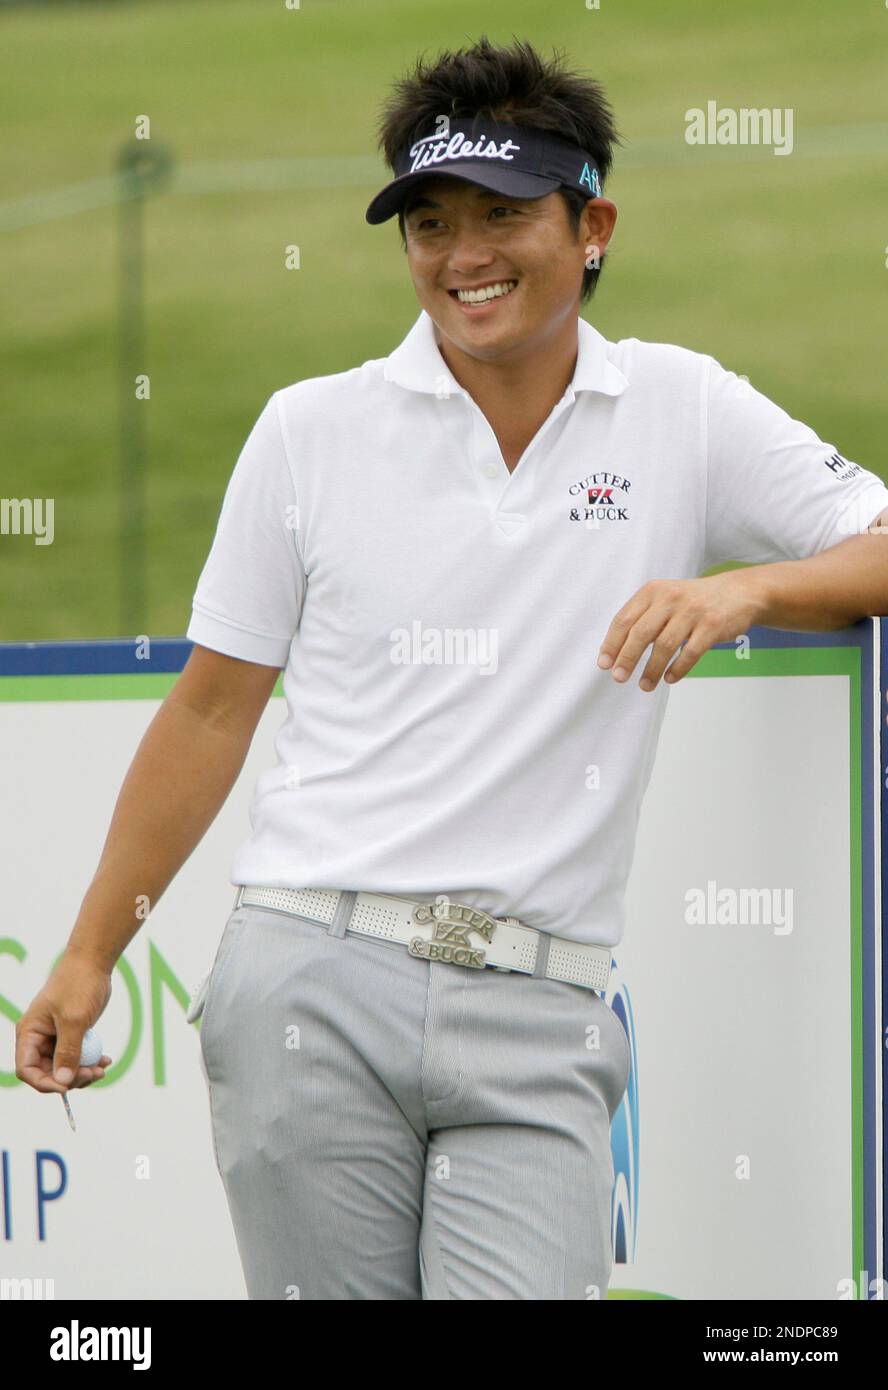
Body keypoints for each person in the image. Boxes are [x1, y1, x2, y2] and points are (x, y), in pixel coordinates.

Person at [15, 36, 888, 1301]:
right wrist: (92, 951)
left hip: (542, 1008)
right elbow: (211, 712)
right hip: (310, 979)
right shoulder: (310, 431)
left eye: (502, 214)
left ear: (592, 224)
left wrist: (746, 584)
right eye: (430, 223)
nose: (464, 255)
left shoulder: (682, 411)